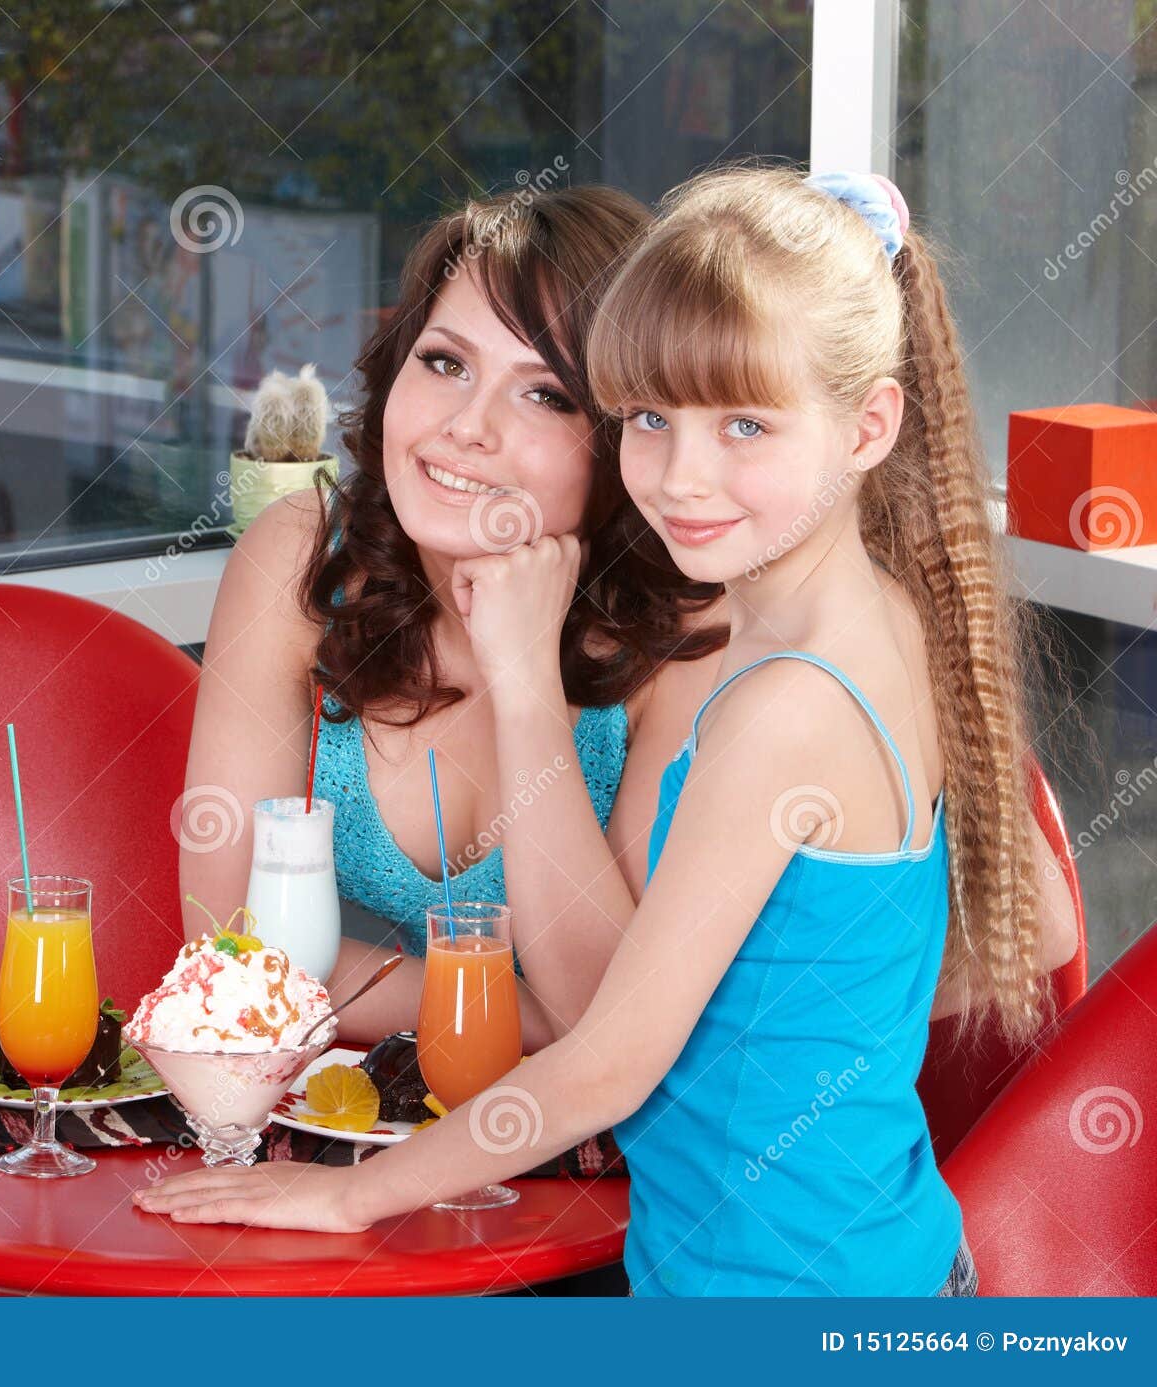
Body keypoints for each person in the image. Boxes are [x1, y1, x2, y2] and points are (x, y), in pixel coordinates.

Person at [137, 164, 1082, 1296]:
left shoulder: (769, 690)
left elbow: (609, 1059)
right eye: (651, 419)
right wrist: (754, 1003)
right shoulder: (872, 616)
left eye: (548, 397)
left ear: (868, 425)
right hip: (824, 1264)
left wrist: (347, 1194)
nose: (684, 472)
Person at [178, 183, 726, 1052]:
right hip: (353, 1118)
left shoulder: (686, 638)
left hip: (594, 1160)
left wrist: (524, 686)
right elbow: (231, 948)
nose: (468, 426)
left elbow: (603, 1016)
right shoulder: (299, 560)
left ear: (625, 442)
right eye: (444, 362)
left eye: (547, 395)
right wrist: (519, 1012)